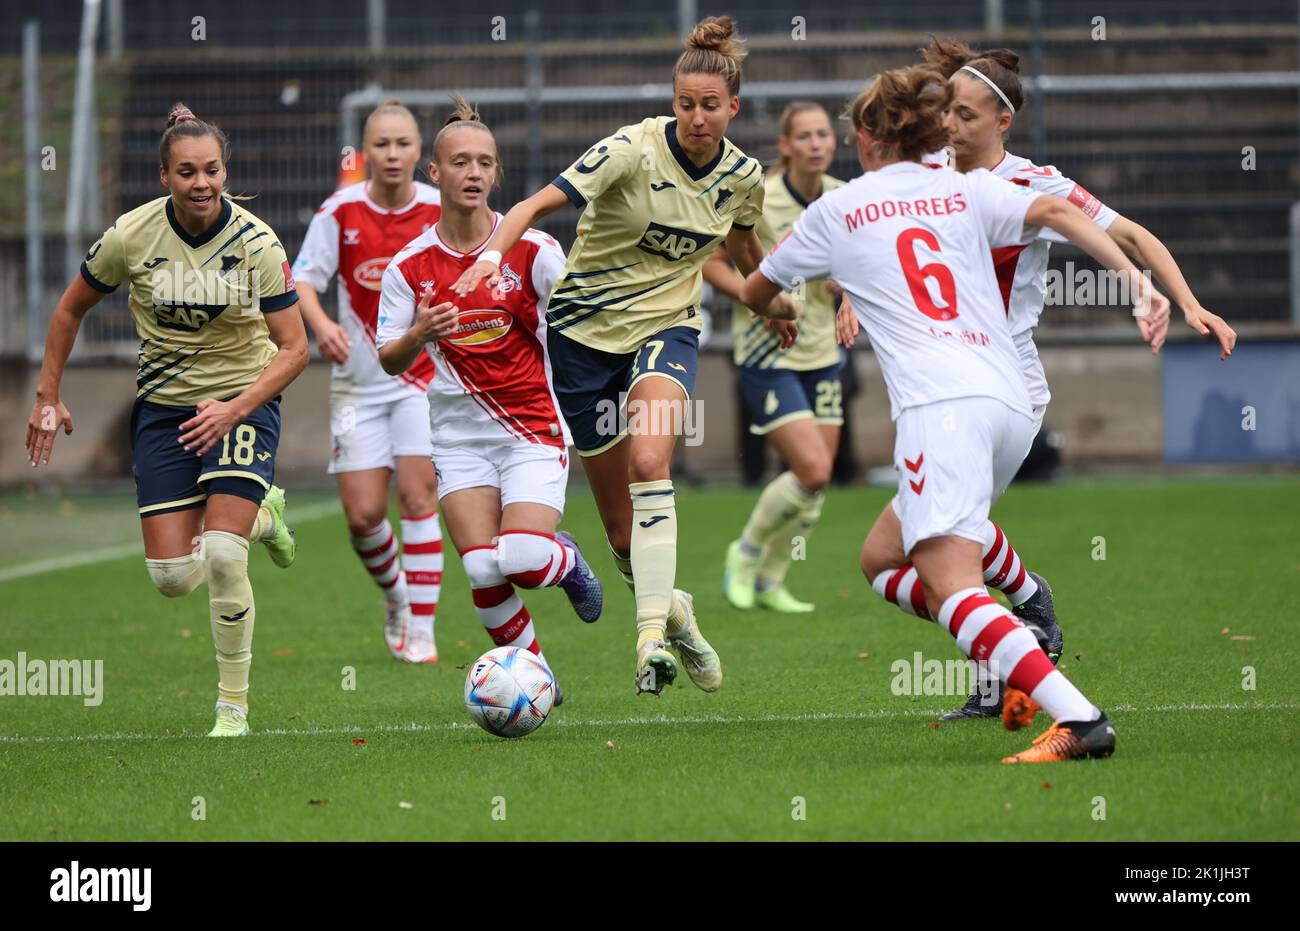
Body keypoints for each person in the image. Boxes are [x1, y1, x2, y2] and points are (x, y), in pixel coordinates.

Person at [743, 65, 1178, 762]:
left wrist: (781, 306)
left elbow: (756, 287)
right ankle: (1016, 632)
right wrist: (1137, 285)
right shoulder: (968, 187)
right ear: (932, 131)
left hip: (941, 408)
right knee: (882, 559)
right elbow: (1061, 214)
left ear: (863, 137)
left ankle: (1080, 718)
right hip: (1009, 401)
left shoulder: (838, 208)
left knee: (951, 586)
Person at [847, 38, 1237, 719]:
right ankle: (1026, 610)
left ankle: (1029, 658)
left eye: (967, 115)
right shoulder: (929, 169)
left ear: (1003, 122)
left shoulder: (1037, 183)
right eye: (947, 112)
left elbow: (1137, 236)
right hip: (951, 384)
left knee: (932, 554)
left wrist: (1185, 299)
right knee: (895, 555)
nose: (950, 126)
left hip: (1005, 386)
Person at [448, 16, 798, 694]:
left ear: (734, 107)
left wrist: (780, 306)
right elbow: (531, 205)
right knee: (618, 532)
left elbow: (750, 259)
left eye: (710, 105)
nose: (697, 117)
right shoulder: (629, 150)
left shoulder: (743, 178)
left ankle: (646, 645)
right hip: (580, 341)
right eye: (685, 103)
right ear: (674, 103)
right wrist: (492, 256)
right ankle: (677, 616)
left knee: (649, 460)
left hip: (666, 329)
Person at [25, 103, 307, 738]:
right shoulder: (131, 235)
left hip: (242, 403)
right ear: (163, 176)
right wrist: (49, 393)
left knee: (227, 557)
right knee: (173, 577)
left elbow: (295, 350)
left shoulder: (258, 244)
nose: (201, 183)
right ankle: (268, 515)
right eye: (186, 172)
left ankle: (231, 707)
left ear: (225, 171)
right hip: (164, 411)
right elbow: (70, 309)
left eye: (211, 170)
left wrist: (234, 408)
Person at [376, 97, 604, 699]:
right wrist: (419, 334)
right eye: (459, 162)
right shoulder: (409, 267)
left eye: (485, 162)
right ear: (435, 172)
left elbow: (582, 325)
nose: (473, 173)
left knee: (525, 558)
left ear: (496, 174)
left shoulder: (533, 251)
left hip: (531, 429)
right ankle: (539, 685)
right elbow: (388, 356)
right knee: (482, 566)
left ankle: (567, 562)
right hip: (456, 439)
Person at [293, 98, 445, 664]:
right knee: (362, 516)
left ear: (419, 151)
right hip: (356, 385)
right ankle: (400, 599)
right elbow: (302, 281)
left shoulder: (439, 209)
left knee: (417, 494)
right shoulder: (339, 213)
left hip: (420, 379)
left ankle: (424, 631)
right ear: (364, 152)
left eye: (403, 143)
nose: (392, 154)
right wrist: (323, 325)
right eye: (380, 144)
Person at [703, 100, 848, 614]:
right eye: (803, 136)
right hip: (768, 352)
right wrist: (757, 298)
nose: (815, 144)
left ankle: (770, 579)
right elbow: (713, 264)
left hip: (823, 353)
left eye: (823, 134)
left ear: (834, 143)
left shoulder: (842, 199)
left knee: (818, 479)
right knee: (811, 469)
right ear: (785, 146)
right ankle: (743, 553)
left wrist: (848, 293)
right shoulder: (759, 196)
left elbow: (863, 264)